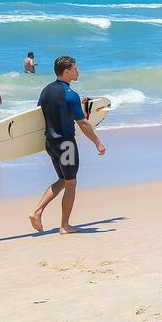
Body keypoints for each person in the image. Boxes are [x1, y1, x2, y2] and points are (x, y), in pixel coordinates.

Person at [29, 55, 106, 235]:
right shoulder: (70, 95)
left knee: (64, 180)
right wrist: (98, 142)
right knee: (71, 183)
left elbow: (52, 109)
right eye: (75, 68)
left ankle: (37, 212)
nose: (77, 71)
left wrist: (77, 105)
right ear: (66, 71)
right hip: (66, 145)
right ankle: (64, 226)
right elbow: (83, 123)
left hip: (50, 143)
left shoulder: (46, 91)